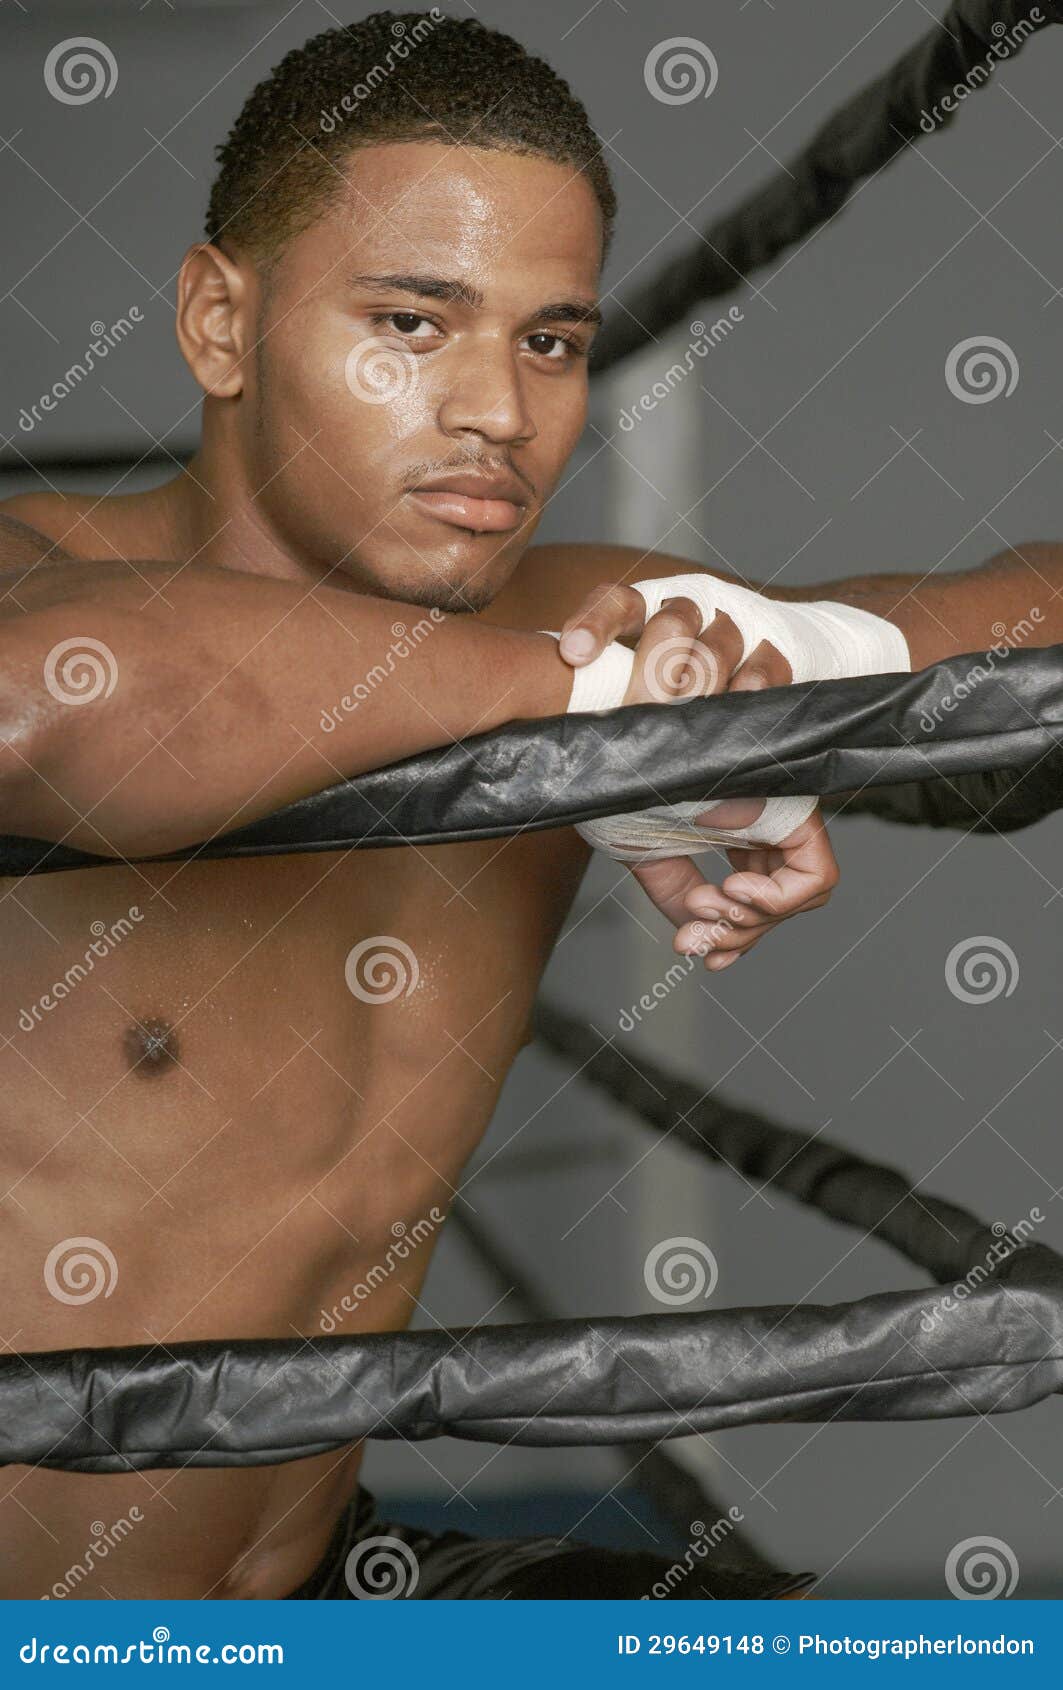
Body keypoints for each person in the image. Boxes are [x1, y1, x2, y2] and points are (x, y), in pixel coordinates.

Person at [0, 12, 1045, 1600]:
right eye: (414, 323)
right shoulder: (43, 576)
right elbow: (55, 708)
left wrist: (794, 673)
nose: (499, 409)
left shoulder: (597, 606)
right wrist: (601, 710)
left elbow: (1020, 618)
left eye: (550, 340)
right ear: (220, 321)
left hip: (326, 1581)